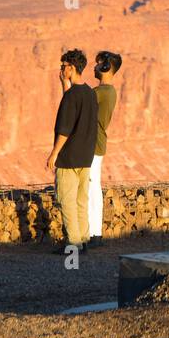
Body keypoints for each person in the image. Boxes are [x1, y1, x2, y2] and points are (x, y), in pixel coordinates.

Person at [48, 49, 98, 254]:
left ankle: (73, 244)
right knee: (81, 199)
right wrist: (64, 86)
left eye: (63, 66)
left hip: (68, 158)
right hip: (86, 156)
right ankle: (83, 238)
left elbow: (64, 128)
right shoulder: (89, 93)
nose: (61, 69)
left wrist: (54, 154)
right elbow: (72, 107)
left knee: (66, 200)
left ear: (72, 68)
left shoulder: (71, 97)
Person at [86, 50, 121, 248]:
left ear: (106, 67)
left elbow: (79, 102)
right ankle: (94, 232)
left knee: (91, 188)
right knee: (94, 187)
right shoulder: (108, 91)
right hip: (96, 143)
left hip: (93, 144)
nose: (95, 66)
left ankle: (93, 233)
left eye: (98, 63)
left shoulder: (101, 92)